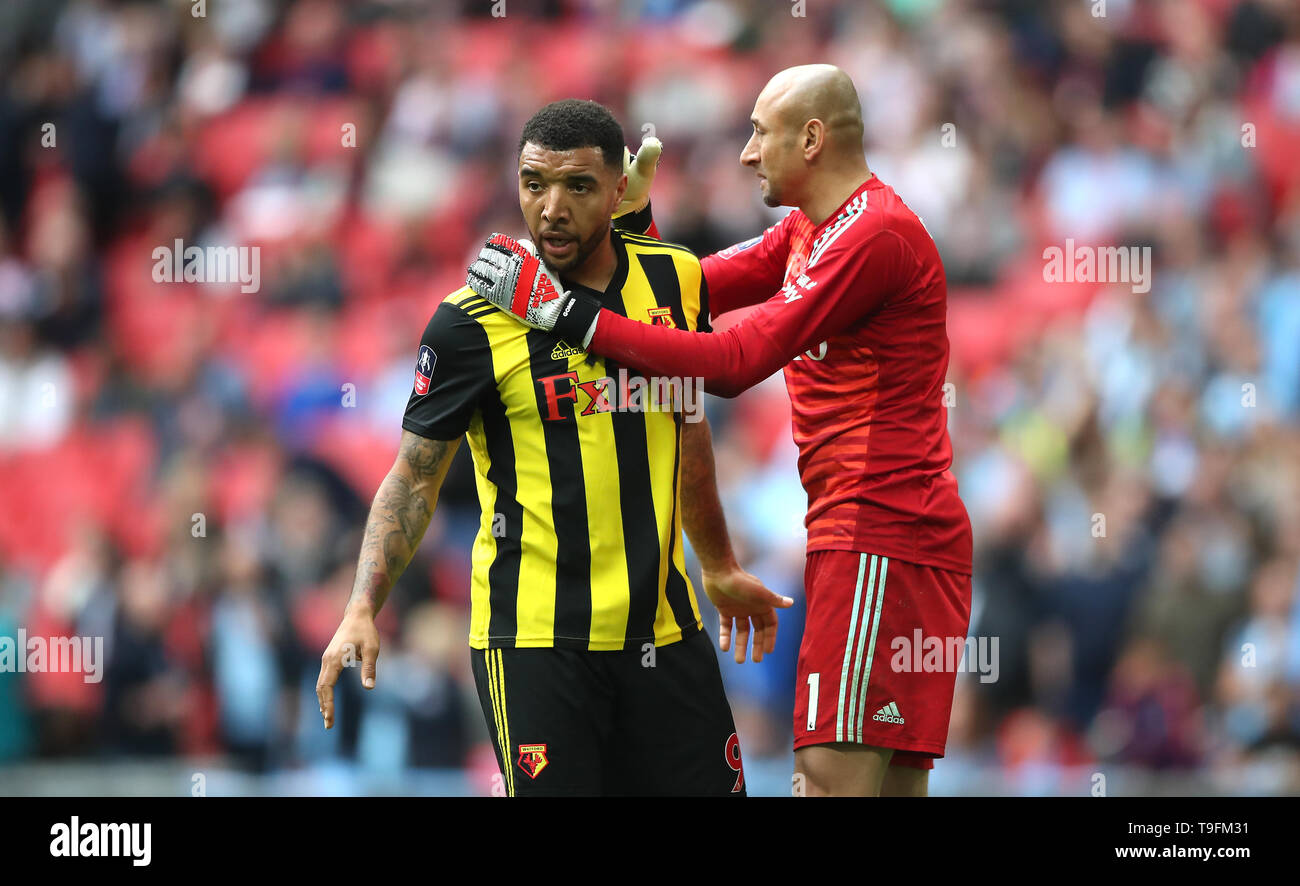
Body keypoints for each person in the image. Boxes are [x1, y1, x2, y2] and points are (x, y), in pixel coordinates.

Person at [467, 66, 973, 797]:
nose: (746, 153)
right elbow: (686, 295)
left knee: (825, 787)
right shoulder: (813, 229)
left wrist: (561, 313)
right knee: (884, 790)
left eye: (759, 132)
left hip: (883, 533)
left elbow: (734, 361)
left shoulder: (873, 236)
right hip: (884, 536)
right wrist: (631, 229)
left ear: (811, 138)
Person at [316, 99, 791, 796]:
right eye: (535, 184)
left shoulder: (673, 279)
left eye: (578, 186)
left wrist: (717, 564)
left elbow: (687, 424)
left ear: (621, 189)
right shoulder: (468, 322)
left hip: (664, 630)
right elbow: (415, 479)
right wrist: (362, 603)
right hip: (536, 644)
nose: (552, 208)